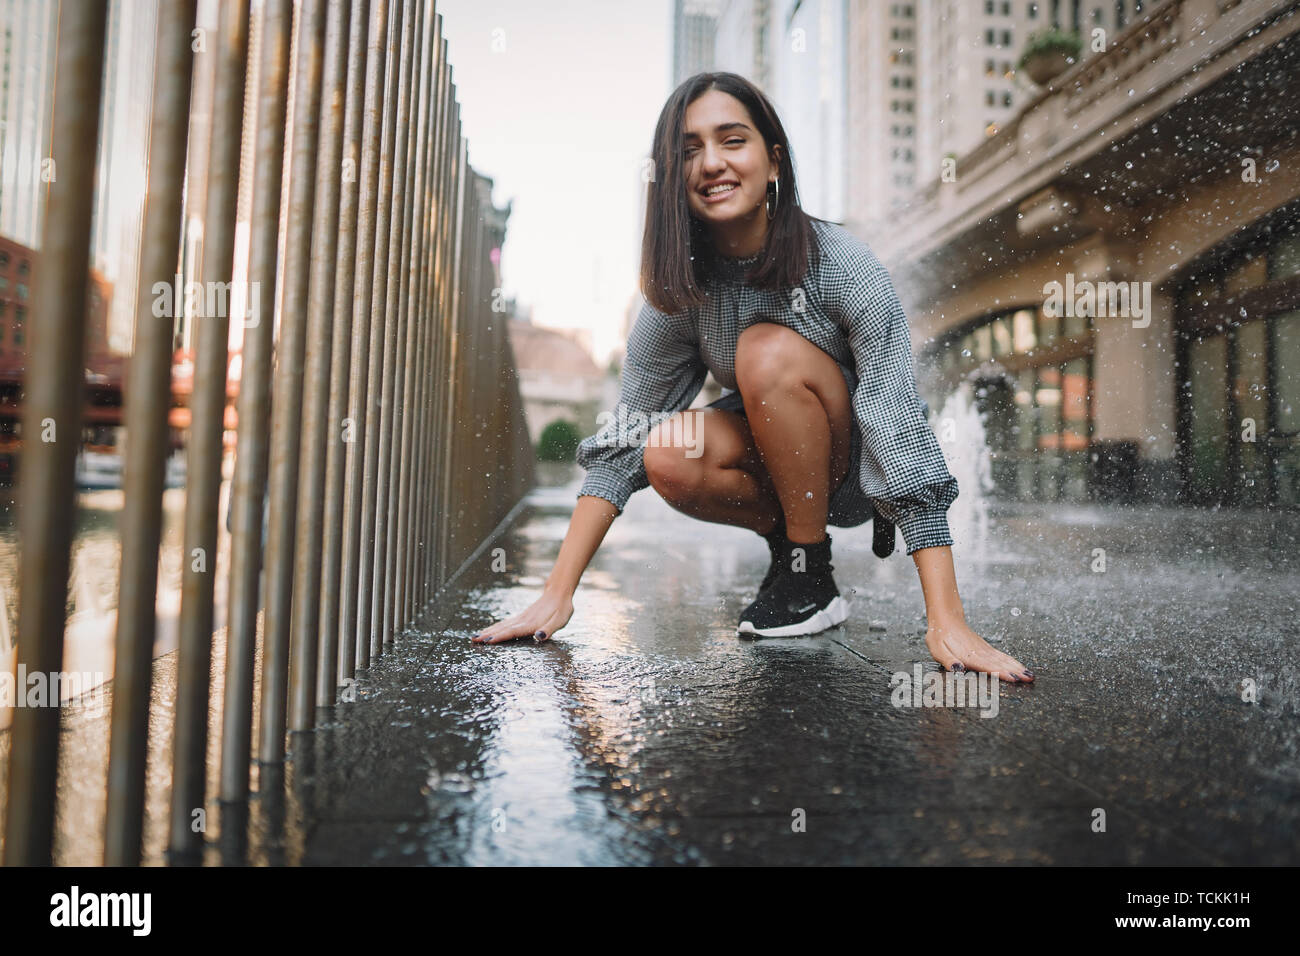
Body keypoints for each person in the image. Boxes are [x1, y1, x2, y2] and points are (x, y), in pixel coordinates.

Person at [473, 72, 1034, 684]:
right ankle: (802, 566)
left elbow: (894, 419)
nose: (710, 163)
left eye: (731, 140)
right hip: (777, 473)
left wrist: (945, 617)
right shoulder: (676, 293)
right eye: (689, 150)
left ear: (772, 162)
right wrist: (558, 594)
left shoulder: (842, 262)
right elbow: (624, 437)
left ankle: (805, 564)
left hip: (855, 477)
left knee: (764, 350)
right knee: (665, 451)